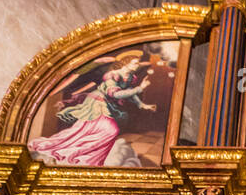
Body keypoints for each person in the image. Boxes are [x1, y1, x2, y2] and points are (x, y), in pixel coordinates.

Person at [29, 52, 157, 168]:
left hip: (108, 104)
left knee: (86, 130)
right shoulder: (112, 75)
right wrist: (140, 88)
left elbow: (129, 92)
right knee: (109, 130)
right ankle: (79, 155)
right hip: (97, 102)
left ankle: (90, 158)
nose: (137, 65)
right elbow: (115, 94)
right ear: (125, 63)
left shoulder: (130, 77)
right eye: (135, 63)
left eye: (138, 63)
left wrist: (141, 105)